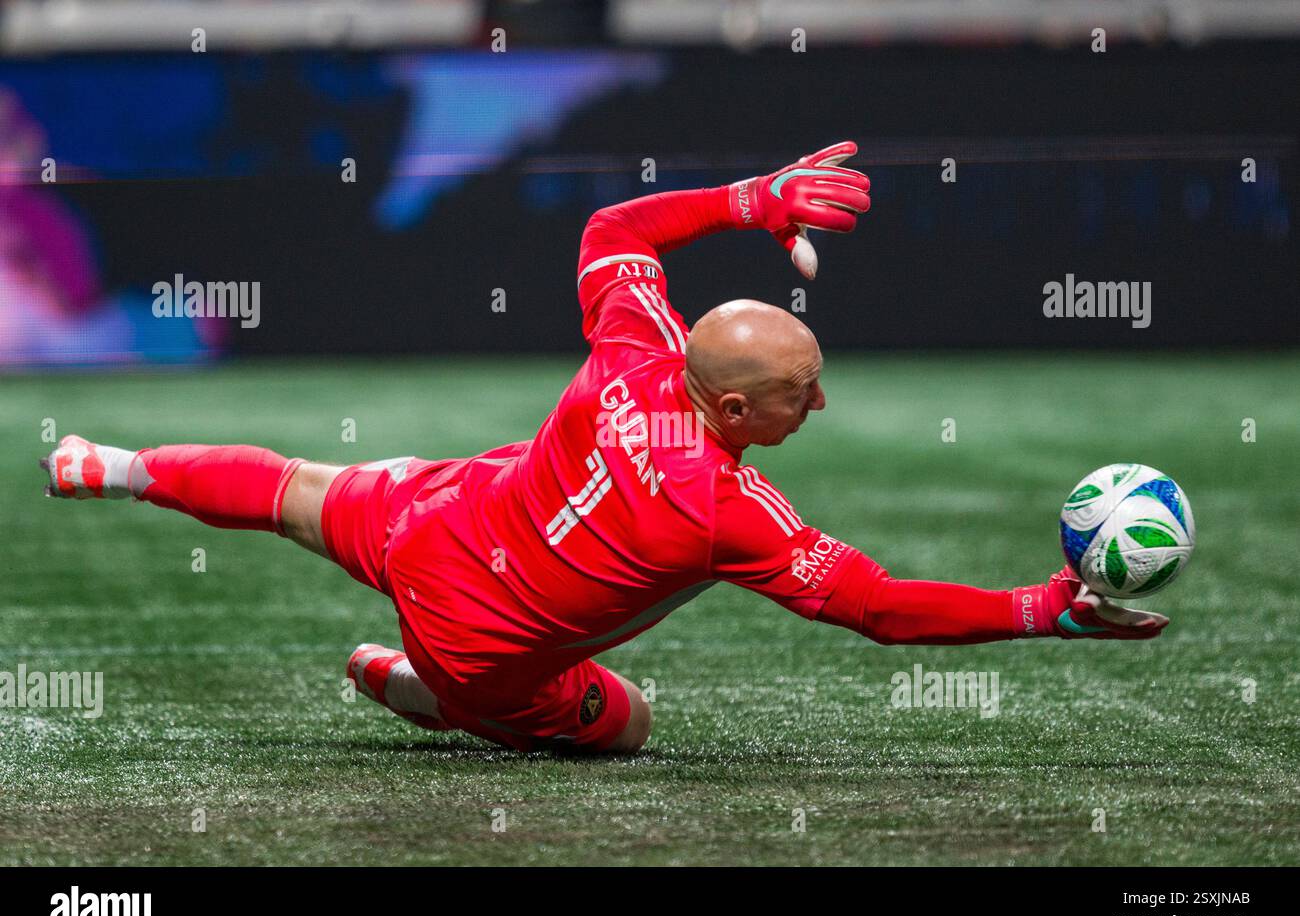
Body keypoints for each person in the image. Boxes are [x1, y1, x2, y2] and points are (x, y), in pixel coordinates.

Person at [41, 142, 1167, 755]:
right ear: (729, 412)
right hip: (480, 647)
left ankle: (112, 465)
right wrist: (1045, 608)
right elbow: (872, 605)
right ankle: (424, 687)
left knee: (297, 484)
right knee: (628, 726)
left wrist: (751, 197)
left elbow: (611, 230)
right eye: (797, 395)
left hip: (431, 522)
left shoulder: (642, 341)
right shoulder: (730, 513)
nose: (815, 409)